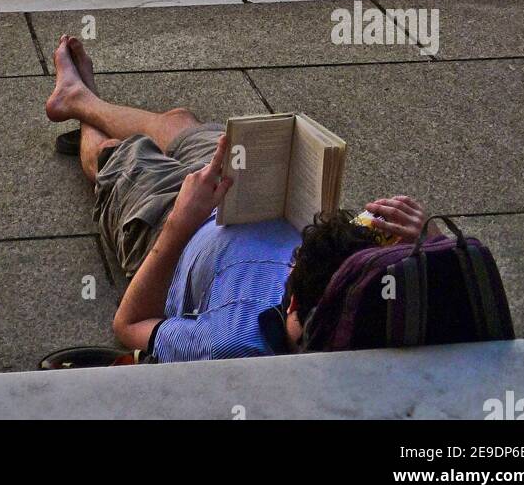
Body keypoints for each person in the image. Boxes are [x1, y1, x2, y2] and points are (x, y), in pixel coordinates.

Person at [45, 35, 434, 361]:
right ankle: (81, 97)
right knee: (181, 122)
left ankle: (80, 104)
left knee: (114, 154)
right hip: (242, 199)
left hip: (172, 229)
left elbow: (128, 325)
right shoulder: (364, 295)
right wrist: (427, 240)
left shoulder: (230, 342)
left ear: (293, 304)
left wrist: (182, 219)